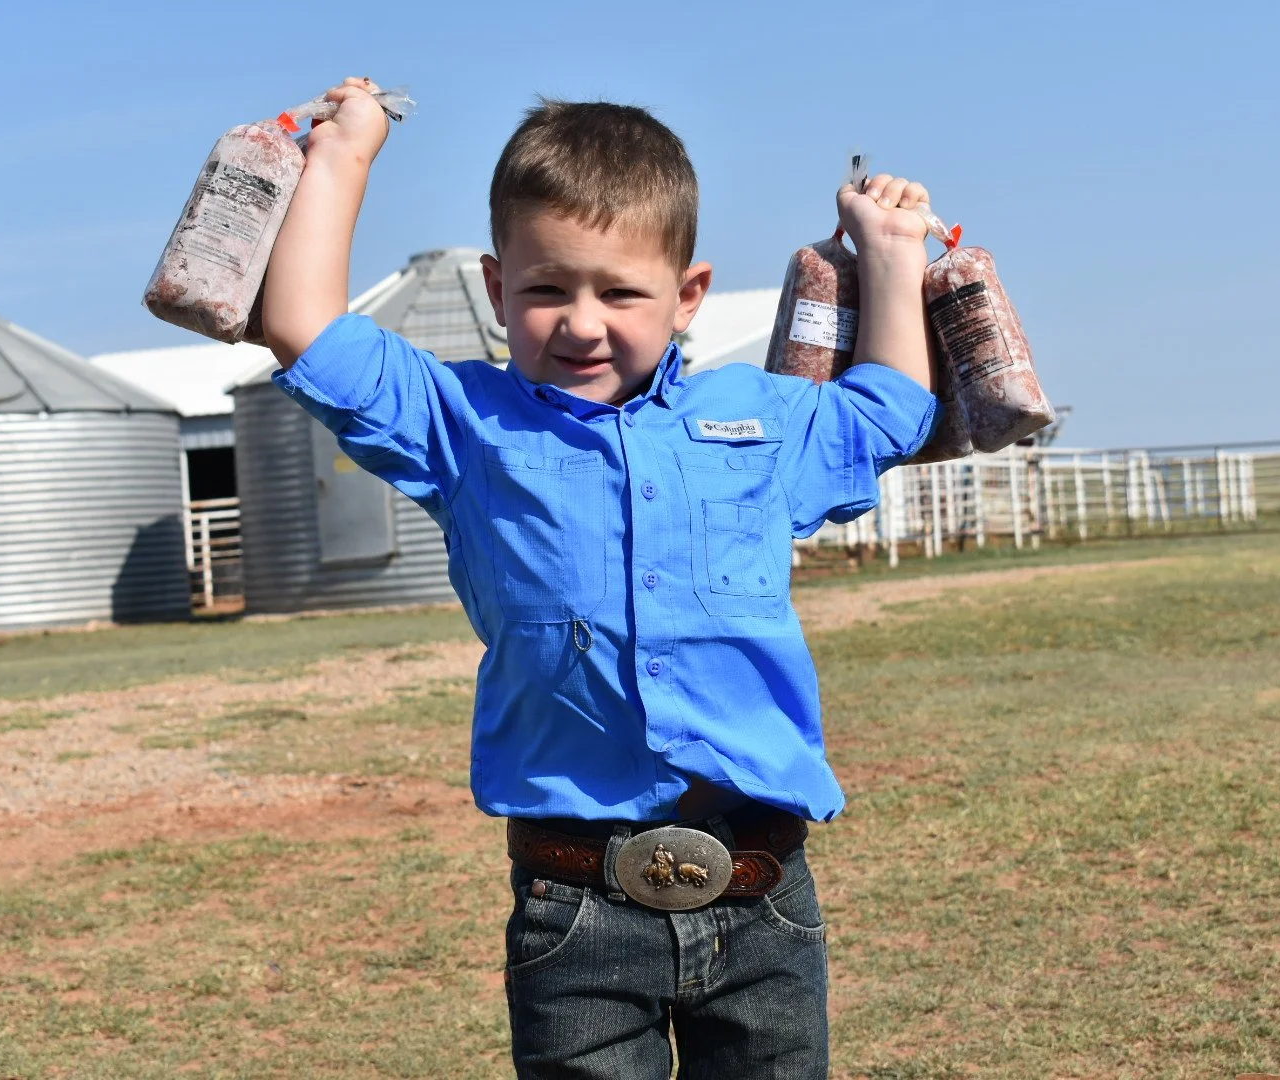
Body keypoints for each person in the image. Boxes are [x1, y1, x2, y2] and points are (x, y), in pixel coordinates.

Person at [261, 77, 938, 1079]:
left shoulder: (755, 423)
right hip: (575, 913)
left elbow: (888, 409)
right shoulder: (463, 425)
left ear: (688, 295)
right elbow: (304, 327)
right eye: (547, 290)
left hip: (765, 898)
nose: (582, 323)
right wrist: (347, 151)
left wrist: (890, 254)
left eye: (621, 291)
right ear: (497, 291)